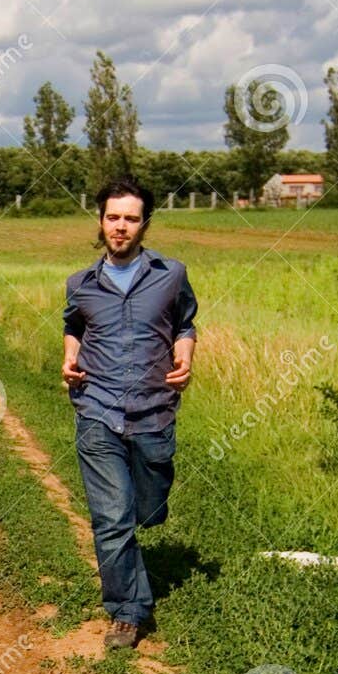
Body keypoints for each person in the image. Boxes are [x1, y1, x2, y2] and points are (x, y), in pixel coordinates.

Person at [62, 177, 198, 650]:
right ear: (100, 222)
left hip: (154, 414)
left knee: (148, 510)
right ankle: (127, 611)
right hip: (97, 409)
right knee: (113, 518)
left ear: (145, 224)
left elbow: (185, 322)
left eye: (131, 219)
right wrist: (68, 357)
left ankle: (143, 528)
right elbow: (73, 325)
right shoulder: (80, 284)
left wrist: (185, 356)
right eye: (113, 217)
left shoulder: (172, 274)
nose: (121, 227)